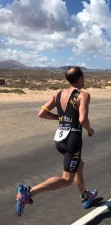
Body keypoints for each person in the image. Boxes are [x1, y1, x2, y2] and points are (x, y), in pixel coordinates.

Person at [15, 67, 97, 216]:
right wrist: (90, 130)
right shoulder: (83, 94)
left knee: (79, 165)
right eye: (83, 76)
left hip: (60, 139)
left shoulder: (58, 94)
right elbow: (82, 119)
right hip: (73, 140)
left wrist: (59, 118)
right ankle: (29, 193)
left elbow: (41, 113)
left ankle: (85, 196)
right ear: (79, 78)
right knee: (66, 179)